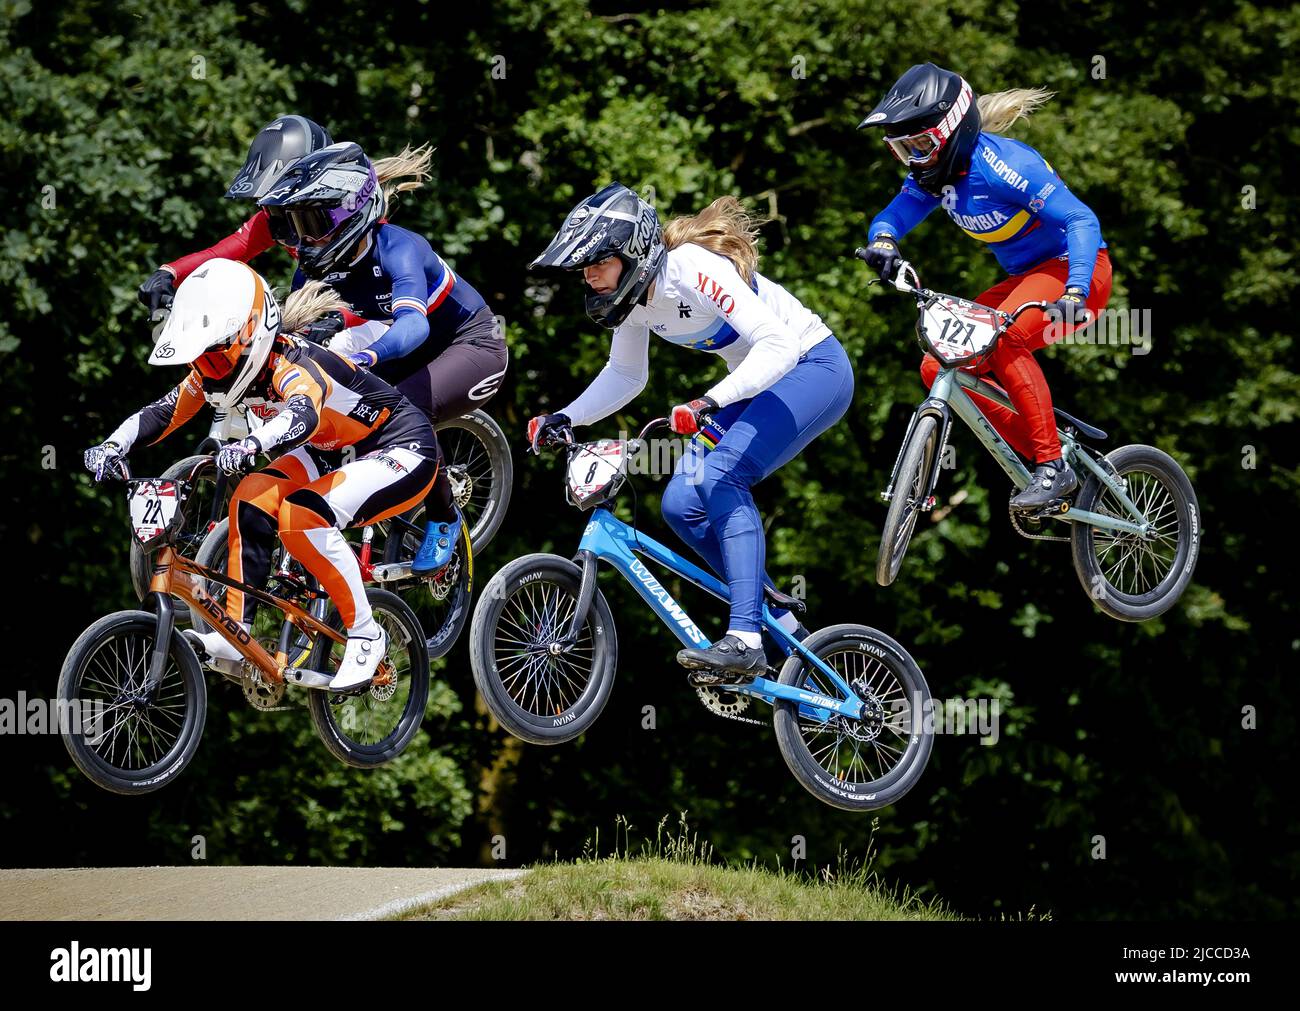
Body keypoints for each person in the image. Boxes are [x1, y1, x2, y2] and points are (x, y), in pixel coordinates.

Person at [527, 184, 854, 680]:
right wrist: (567, 417)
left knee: (722, 478)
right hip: (756, 381)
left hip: (813, 366)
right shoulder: (633, 301)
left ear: (633, 253)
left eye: (599, 262)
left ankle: (744, 637)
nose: (590, 276)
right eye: (583, 267)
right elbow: (626, 376)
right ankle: (779, 621)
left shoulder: (693, 270)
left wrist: (709, 401)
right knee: (681, 503)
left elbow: (779, 345)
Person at [85, 258, 442, 690]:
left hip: (398, 445)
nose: (210, 367)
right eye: (200, 357)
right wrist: (112, 445)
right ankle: (235, 633)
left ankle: (366, 633)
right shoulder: (213, 367)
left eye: (216, 354)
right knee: (251, 496)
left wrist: (254, 444)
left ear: (251, 332)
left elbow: (303, 415)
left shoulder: (293, 363)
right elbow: (162, 412)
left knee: (301, 515)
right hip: (334, 451)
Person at [859, 63, 1113, 510]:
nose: (916, 158)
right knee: (938, 365)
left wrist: (1074, 292)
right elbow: (894, 214)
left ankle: (1051, 466)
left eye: (921, 144)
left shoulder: (1005, 166)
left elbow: (1081, 219)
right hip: (1029, 279)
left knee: (1003, 337)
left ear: (952, 131)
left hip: (1081, 272)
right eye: (904, 149)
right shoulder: (934, 176)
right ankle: (1047, 447)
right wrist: (882, 241)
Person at [256, 141, 508, 572]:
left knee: (406, 409)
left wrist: (369, 359)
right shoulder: (312, 268)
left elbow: (414, 326)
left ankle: (445, 516)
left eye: (315, 222)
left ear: (354, 212)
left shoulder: (399, 248)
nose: (305, 238)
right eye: (299, 224)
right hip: (394, 348)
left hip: (468, 345)